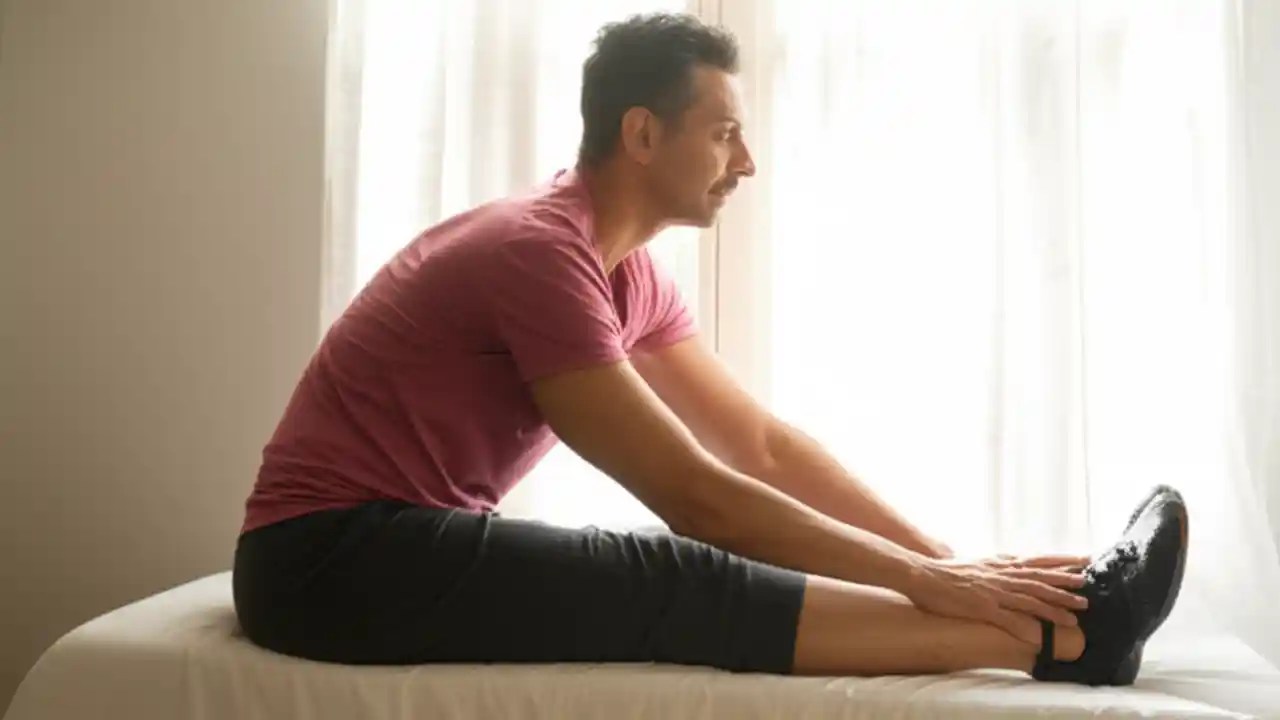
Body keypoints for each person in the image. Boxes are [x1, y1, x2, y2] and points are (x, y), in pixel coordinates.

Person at [232, 12, 1187, 685]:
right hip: (324, 563)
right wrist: (932, 586)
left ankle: (1054, 620)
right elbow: (695, 494)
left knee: (679, 563)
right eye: (725, 132)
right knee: (672, 568)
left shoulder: (624, 273)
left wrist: (954, 565)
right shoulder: (538, 254)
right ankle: (1062, 643)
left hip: (392, 546)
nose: (747, 162)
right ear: (642, 134)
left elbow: (760, 449)